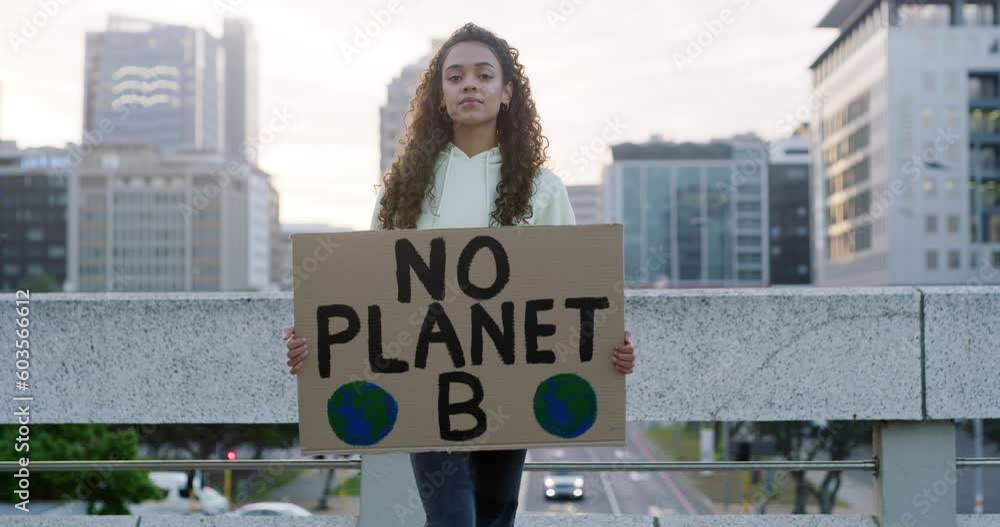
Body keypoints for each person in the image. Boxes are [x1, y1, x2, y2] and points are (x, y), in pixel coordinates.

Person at [282, 22, 636, 527]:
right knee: (451, 519)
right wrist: (313, 341)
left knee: (496, 515)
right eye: (455, 76)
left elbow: (573, 295)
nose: (469, 84)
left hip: (512, 386)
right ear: (439, 95)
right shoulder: (403, 190)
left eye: (484, 74)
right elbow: (364, 295)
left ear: (507, 92)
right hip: (428, 388)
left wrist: (609, 350)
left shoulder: (544, 189)